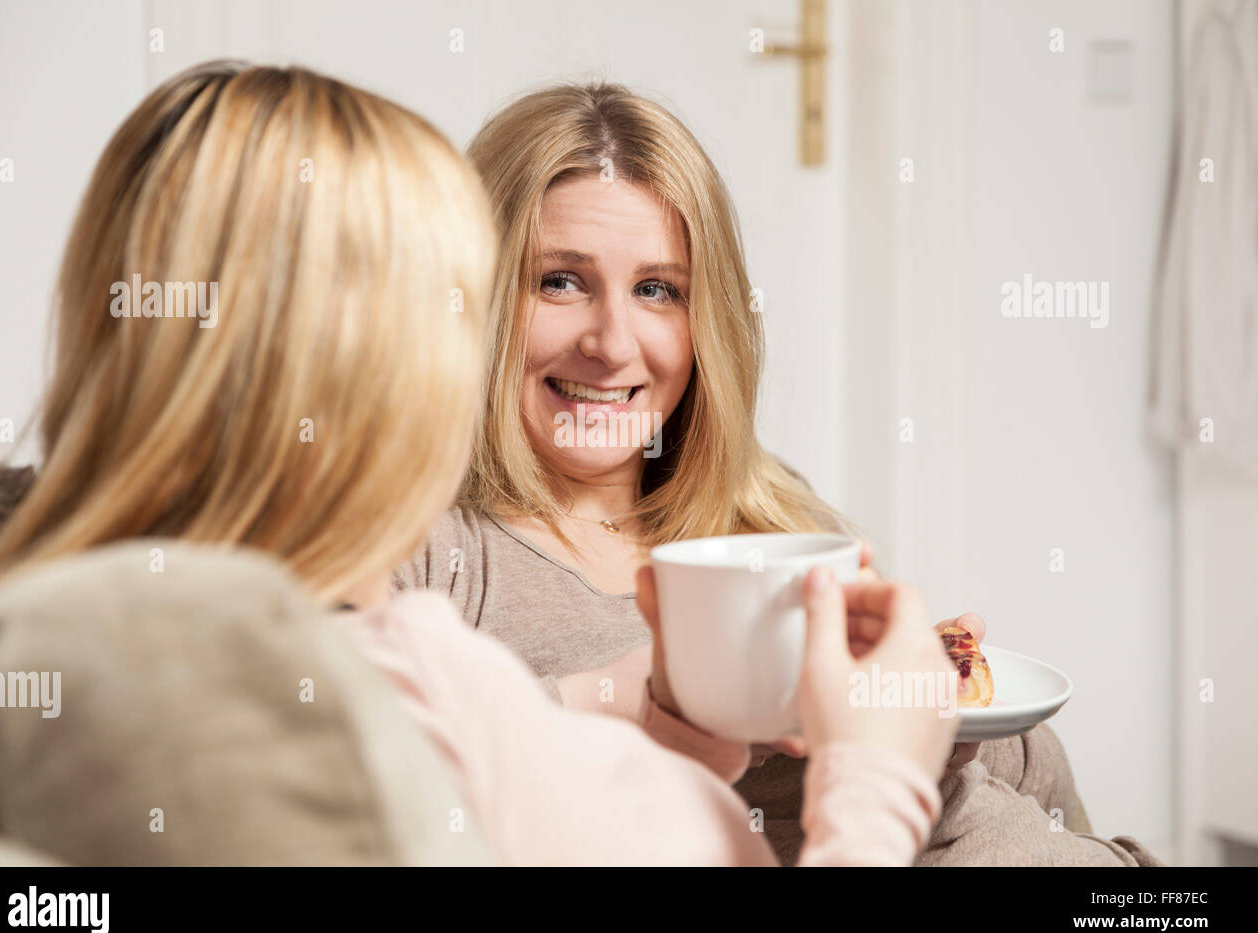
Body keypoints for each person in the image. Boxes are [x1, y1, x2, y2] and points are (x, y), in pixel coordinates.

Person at [0, 60, 959, 865]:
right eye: (532, 287)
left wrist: (672, 708)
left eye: (659, 290)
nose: (608, 342)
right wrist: (875, 783)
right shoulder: (416, 670)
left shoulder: (27, 636)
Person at [396, 82, 1159, 866]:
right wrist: (640, 701)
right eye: (560, 280)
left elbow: (1026, 766)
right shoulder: (427, 551)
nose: (612, 343)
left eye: (657, 290)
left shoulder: (771, 512)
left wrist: (929, 711)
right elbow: (387, 791)